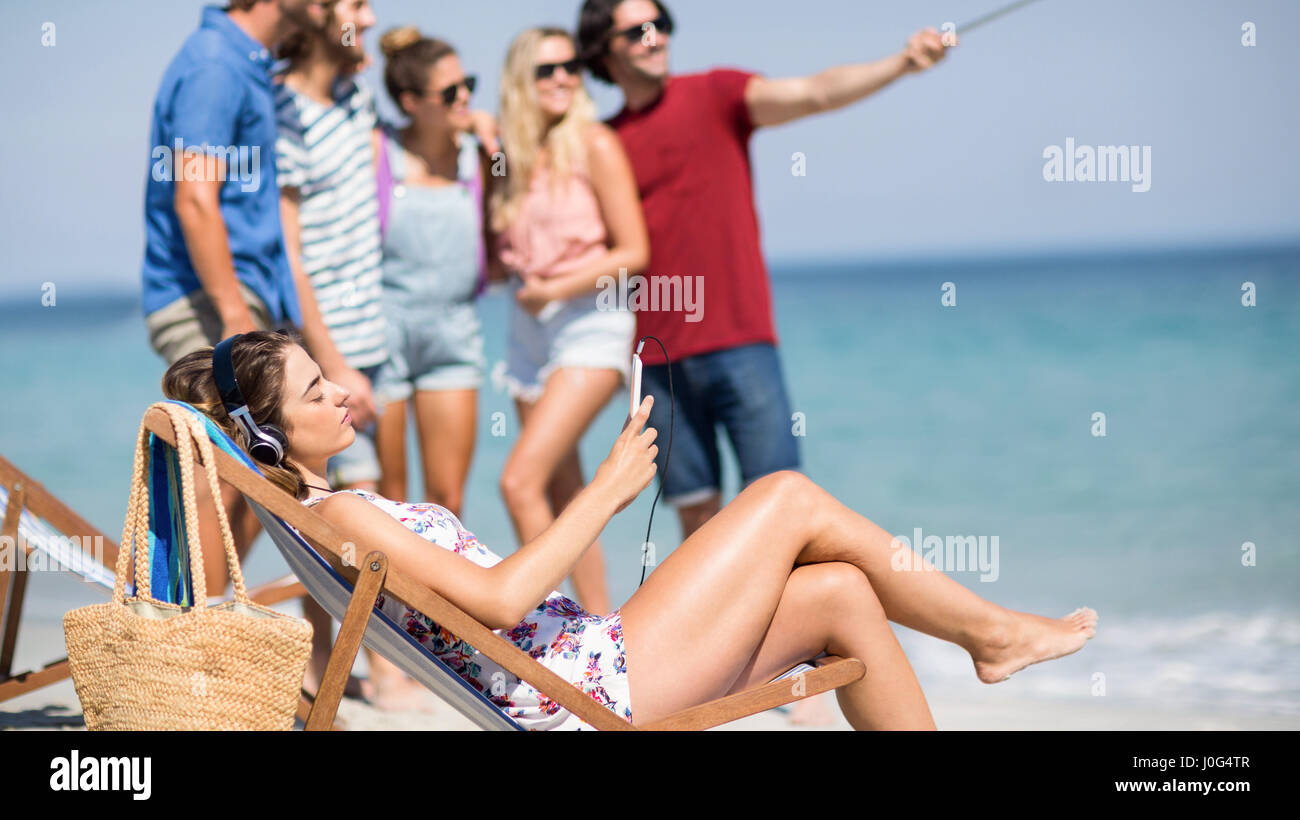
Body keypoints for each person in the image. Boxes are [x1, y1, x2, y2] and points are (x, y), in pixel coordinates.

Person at [161, 329, 1100, 730]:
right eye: (318, 394)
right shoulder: (345, 513)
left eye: (332, 377)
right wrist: (605, 491)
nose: (344, 395)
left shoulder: (333, 508)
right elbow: (497, 597)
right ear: (272, 432)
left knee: (843, 593)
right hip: (585, 691)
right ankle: (991, 634)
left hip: (588, 661)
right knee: (783, 496)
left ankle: (991, 638)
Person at [574, 0, 952, 543]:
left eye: (661, 22)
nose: (655, 38)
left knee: (780, 507)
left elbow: (816, 92)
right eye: (636, 31)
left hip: (741, 342)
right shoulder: (603, 142)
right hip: (658, 359)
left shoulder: (717, 94)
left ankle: (802, 627)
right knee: (696, 522)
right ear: (604, 53)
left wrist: (900, 64)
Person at [141, 0, 332, 598]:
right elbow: (195, 197)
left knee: (259, 474)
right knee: (217, 484)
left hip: (240, 299)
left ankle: (208, 626)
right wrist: (234, 319)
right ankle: (188, 657)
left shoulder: (248, 64)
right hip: (207, 301)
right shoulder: (216, 65)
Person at [274, 0, 429, 711]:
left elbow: (412, 73)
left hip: (382, 335)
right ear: (323, 13)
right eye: (357, 7)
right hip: (334, 345)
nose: (369, 20)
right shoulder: (284, 111)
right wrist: (332, 365)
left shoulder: (355, 99)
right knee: (336, 514)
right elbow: (292, 257)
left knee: (386, 507)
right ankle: (343, 664)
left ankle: (383, 660)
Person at [488, 27, 649, 615]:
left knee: (518, 481)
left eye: (570, 66)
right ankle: (602, 625)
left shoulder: (595, 142)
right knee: (559, 488)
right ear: (520, 82)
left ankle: (549, 628)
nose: (562, 78)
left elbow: (634, 250)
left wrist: (554, 287)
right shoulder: (511, 155)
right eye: (546, 69)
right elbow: (495, 257)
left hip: (589, 321)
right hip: (527, 332)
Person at [371, 28, 496, 517]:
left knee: (448, 501)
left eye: (468, 84)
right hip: (386, 333)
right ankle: (389, 597)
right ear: (410, 101)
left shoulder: (480, 156)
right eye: (450, 92)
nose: (464, 97)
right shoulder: (378, 151)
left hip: (454, 333)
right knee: (391, 501)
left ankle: (444, 594)